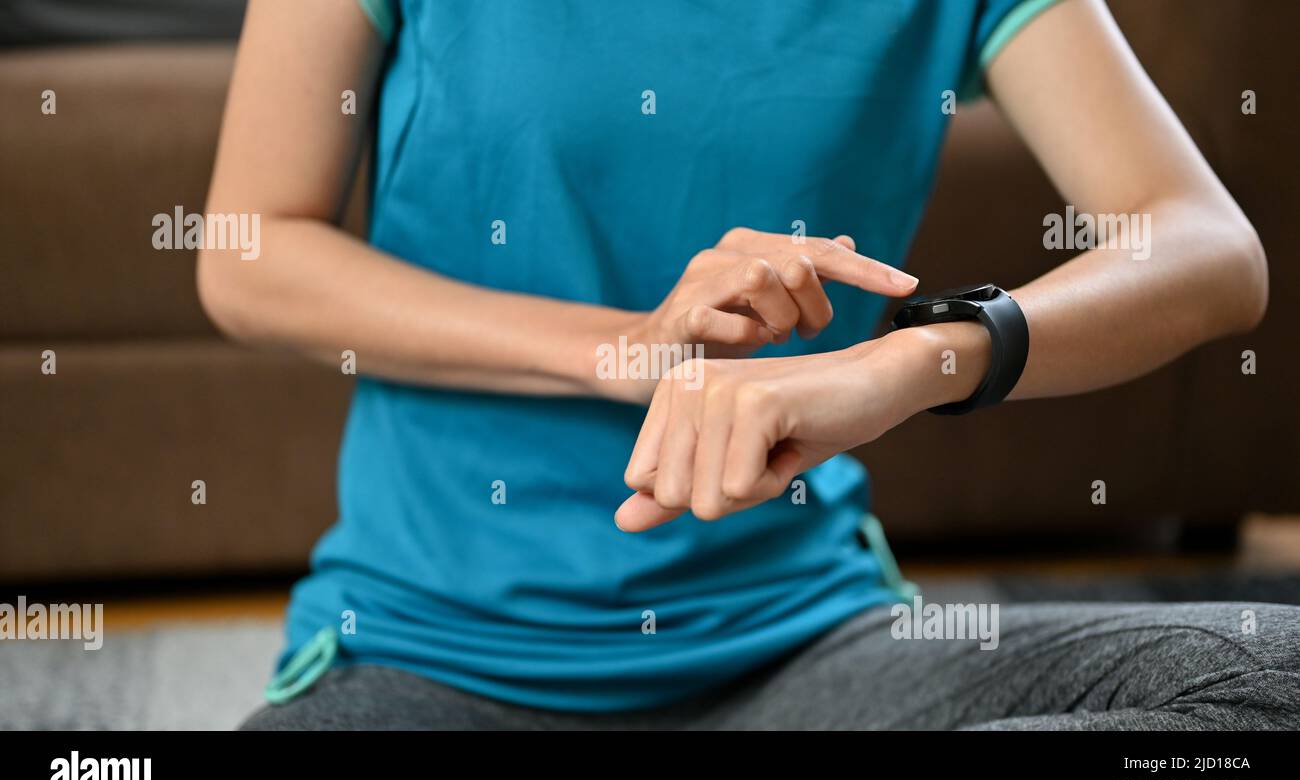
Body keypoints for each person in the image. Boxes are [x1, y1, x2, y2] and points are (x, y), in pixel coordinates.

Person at [199, 0, 1297, 730]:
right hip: (431, 653)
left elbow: (1205, 245)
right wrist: (620, 348)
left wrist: (916, 360)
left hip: (804, 648)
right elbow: (247, 255)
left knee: (1263, 677)